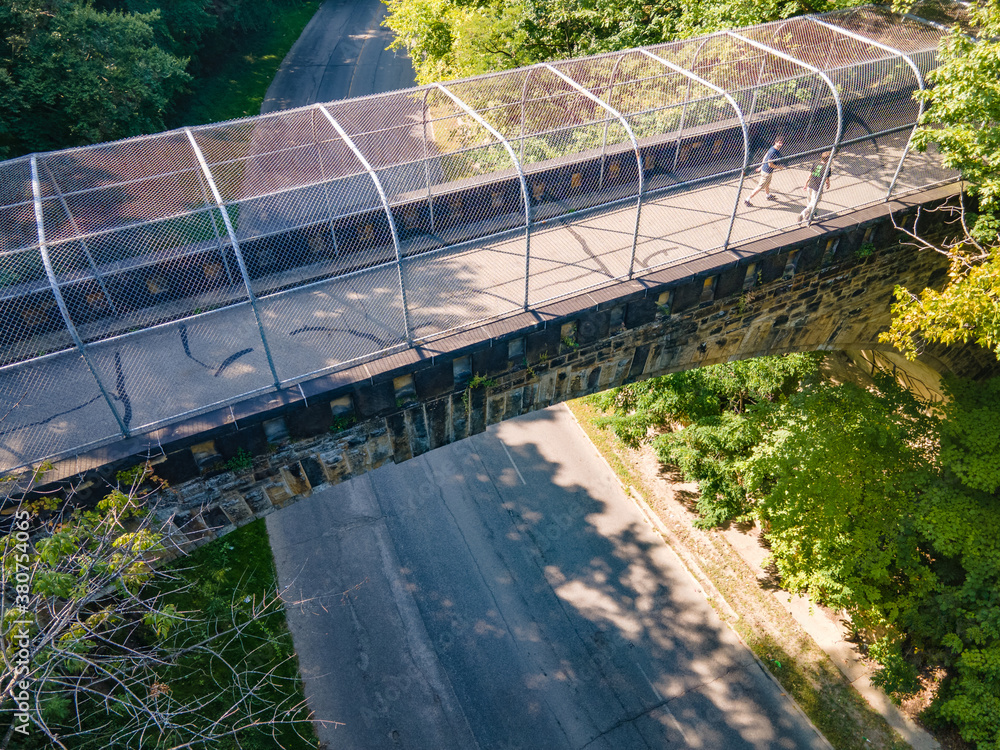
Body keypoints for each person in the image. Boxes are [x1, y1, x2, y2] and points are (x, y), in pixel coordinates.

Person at [744, 137, 784, 206]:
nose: (780, 144)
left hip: (767, 171)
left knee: (767, 184)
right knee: (760, 187)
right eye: (779, 142)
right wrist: (779, 167)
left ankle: (768, 195)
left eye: (781, 142)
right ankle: (747, 199)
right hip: (767, 172)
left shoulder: (773, 148)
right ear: (776, 142)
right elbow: (770, 164)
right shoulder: (773, 152)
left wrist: (761, 166)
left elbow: (765, 156)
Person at [798, 151, 832, 223]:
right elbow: (827, 179)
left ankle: (810, 215)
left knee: (810, 201)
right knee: (814, 202)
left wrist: (806, 183)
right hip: (817, 188)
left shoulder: (815, 163)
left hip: (810, 185)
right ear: (828, 159)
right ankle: (803, 214)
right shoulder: (827, 168)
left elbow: (810, 174)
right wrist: (828, 184)